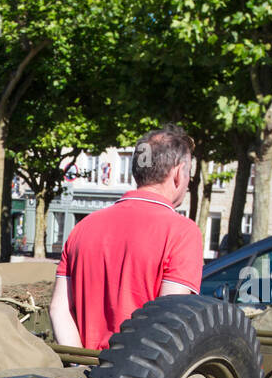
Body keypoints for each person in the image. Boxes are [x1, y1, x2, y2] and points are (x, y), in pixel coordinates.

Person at [49, 125, 204, 349]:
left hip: (82, 376)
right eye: (189, 173)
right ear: (179, 173)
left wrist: (79, 366)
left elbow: (58, 309)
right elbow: (169, 322)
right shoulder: (183, 232)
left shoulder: (82, 228)